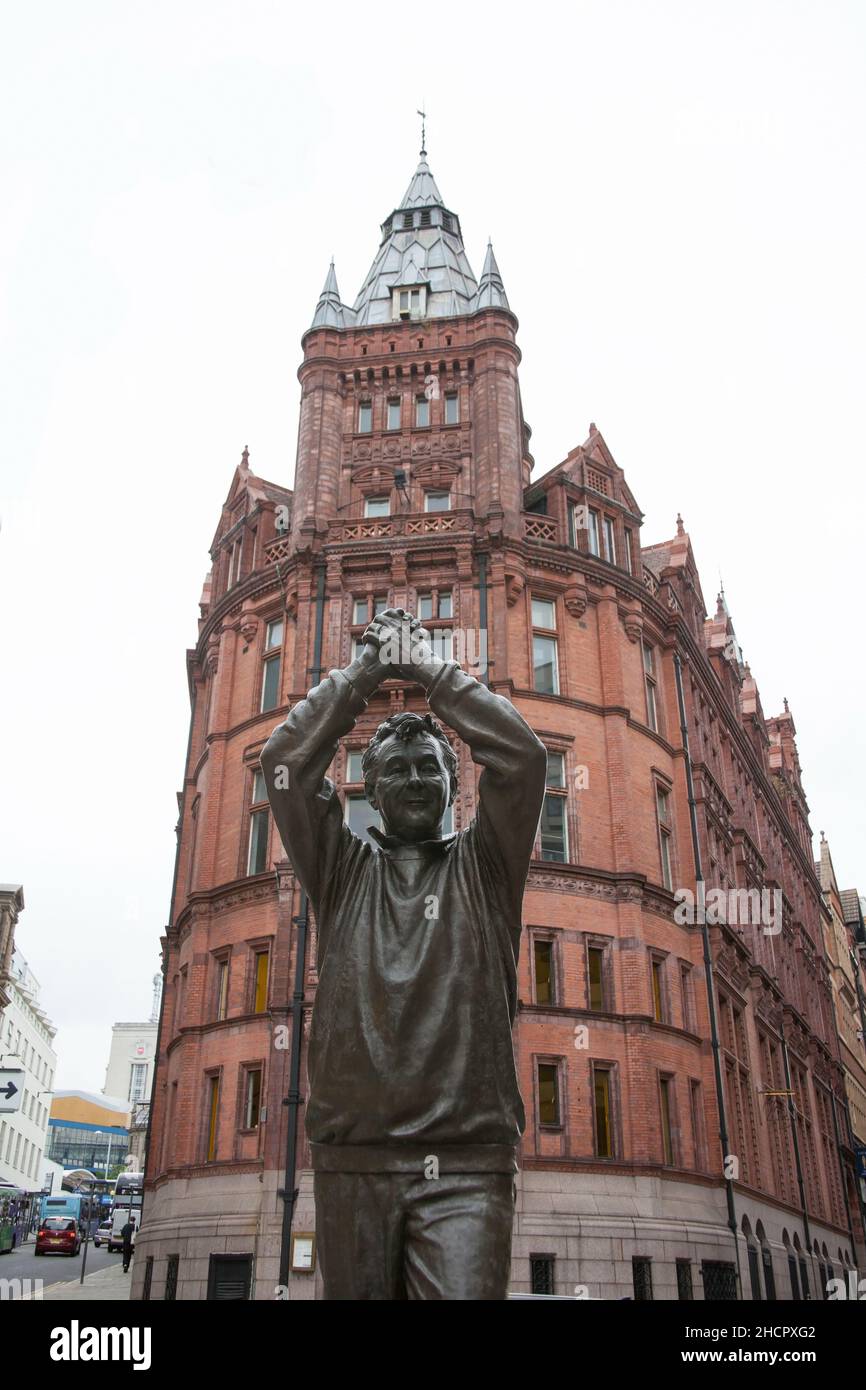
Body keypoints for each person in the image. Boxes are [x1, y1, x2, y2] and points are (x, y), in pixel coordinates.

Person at [262, 607, 547, 1299]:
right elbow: (283, 767)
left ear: (456, 786)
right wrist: (363, 671)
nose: (416, 780)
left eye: (431, 768)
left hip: (466, 1166)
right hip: (351, 1159)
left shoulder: (487, 865)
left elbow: (524, 756)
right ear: (372, 790)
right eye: (396, 770)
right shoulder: (341, 869)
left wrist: (426, 666)